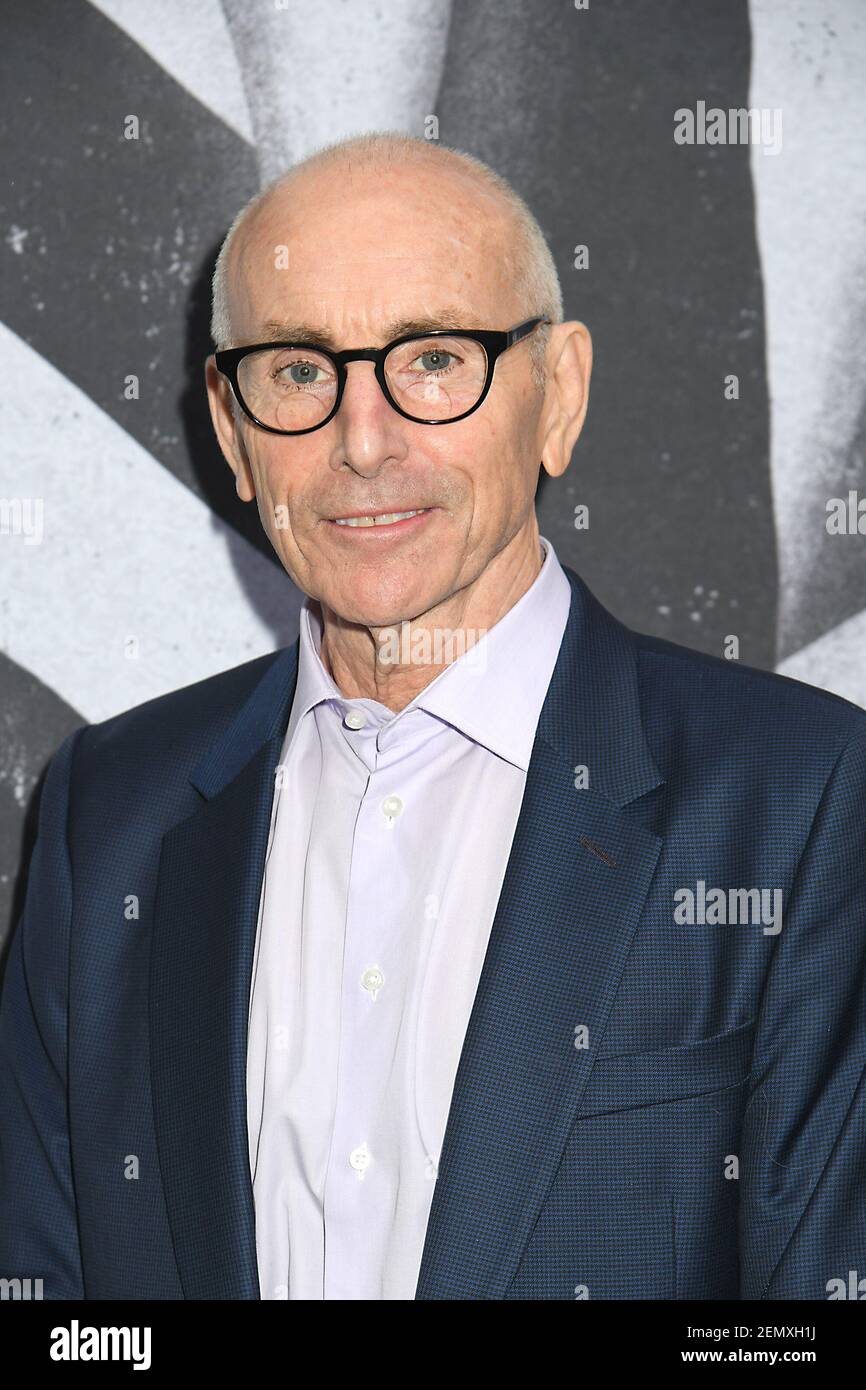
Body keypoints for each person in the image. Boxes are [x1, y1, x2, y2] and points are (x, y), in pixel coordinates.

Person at [1, 131, 864, 1301]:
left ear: (556, 395)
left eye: (434, 360)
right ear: (231, 427)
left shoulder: (799, 801)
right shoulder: (109, 811)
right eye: (300, 371)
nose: (363, 442)